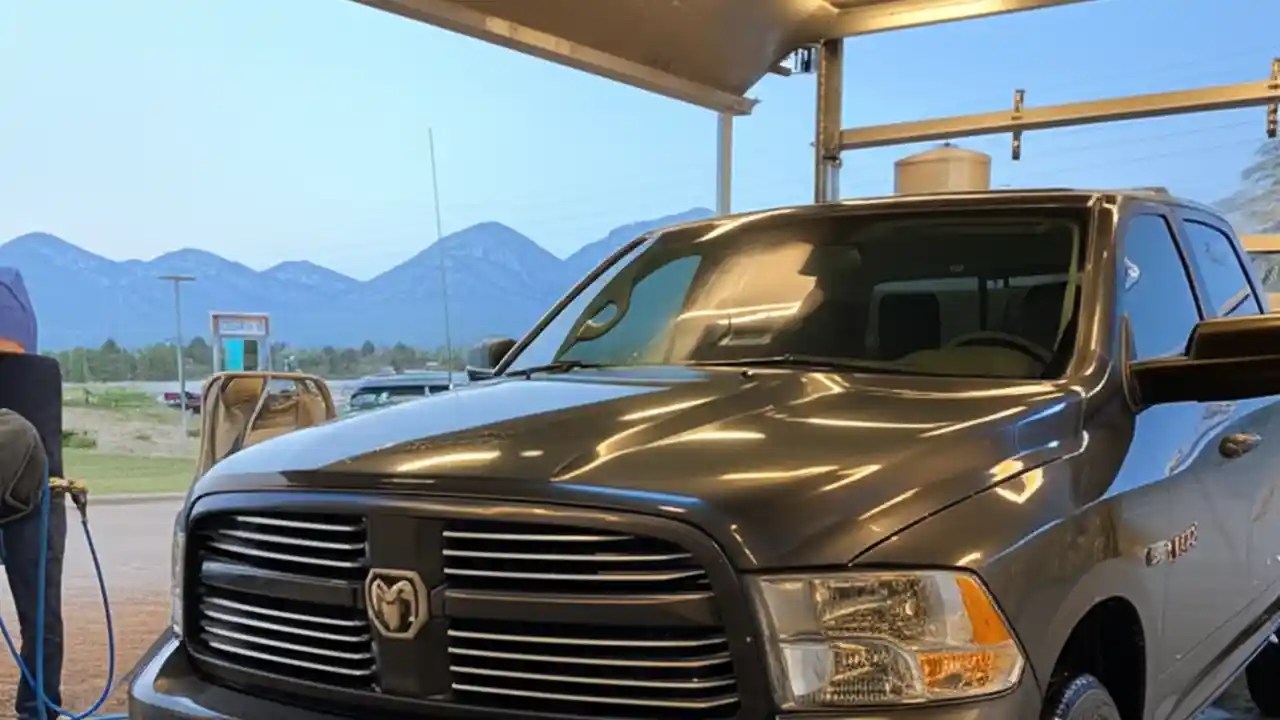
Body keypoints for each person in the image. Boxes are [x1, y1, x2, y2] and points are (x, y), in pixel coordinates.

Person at [0, 266, 65, 720]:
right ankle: (38, 708)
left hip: (37, 500)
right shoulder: (42, 373)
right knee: (41, 617)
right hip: (36, 501)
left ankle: (39, 706)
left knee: (41, 618)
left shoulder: (39, 374)